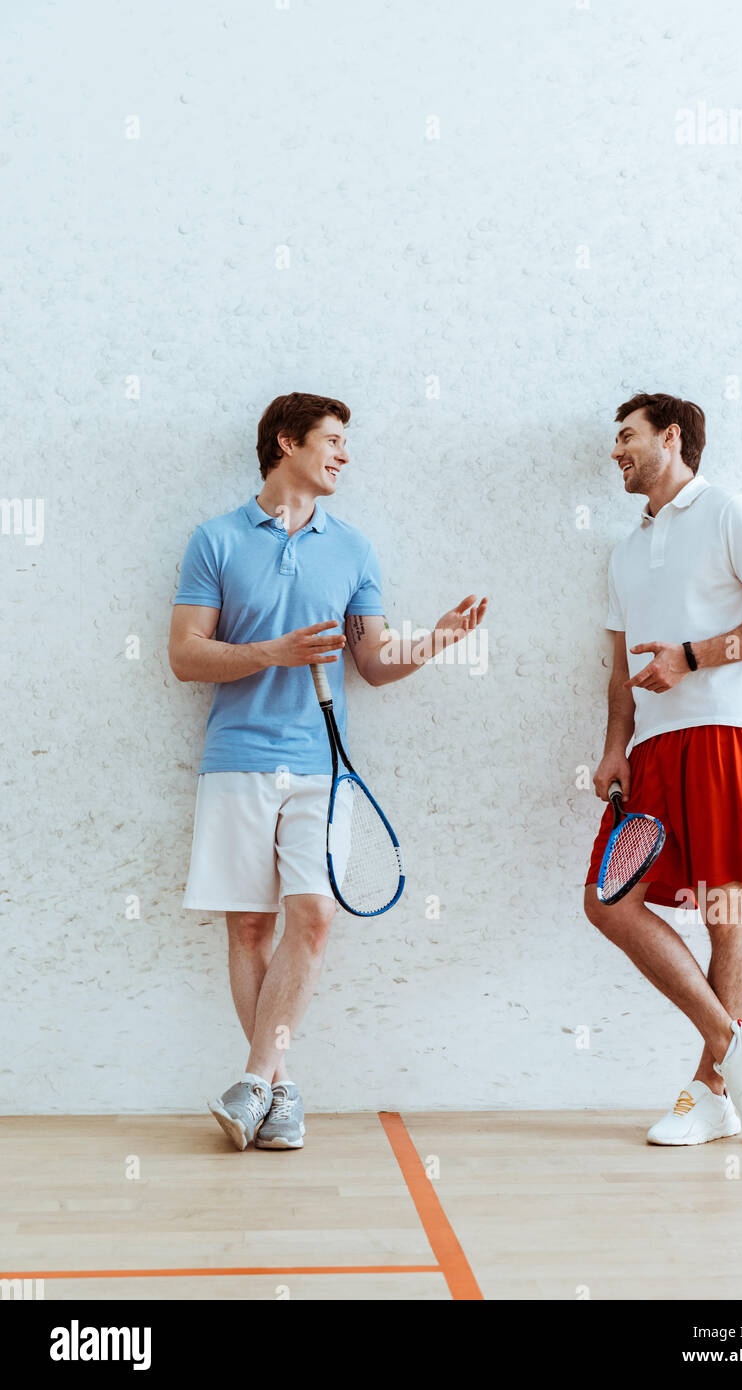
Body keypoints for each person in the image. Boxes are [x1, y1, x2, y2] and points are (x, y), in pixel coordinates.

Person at [169, 392, 488, 1150]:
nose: (344, 455)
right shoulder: (213, 540)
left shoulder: (354, 548)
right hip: (237, 759)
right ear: (286, 442)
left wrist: (437, 639)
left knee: (313, 917)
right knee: (249, 925)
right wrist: (271, 653)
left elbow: (373, 664)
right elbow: (185, 656)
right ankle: (276, 1094)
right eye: (333, 440)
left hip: (323, 765)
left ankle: (253, 1081)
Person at [584, 392, 742, 1144]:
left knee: (725, 908)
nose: (615, 451)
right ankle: (735, 1044)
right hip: (651, 748)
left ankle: (710, 1092)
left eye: (626, 436)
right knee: (608, 901)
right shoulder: (620, 551)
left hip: (724, 734)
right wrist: (614, 744)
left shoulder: (730, 512)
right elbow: (619, 671)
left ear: (670, 437)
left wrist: (693, 656)